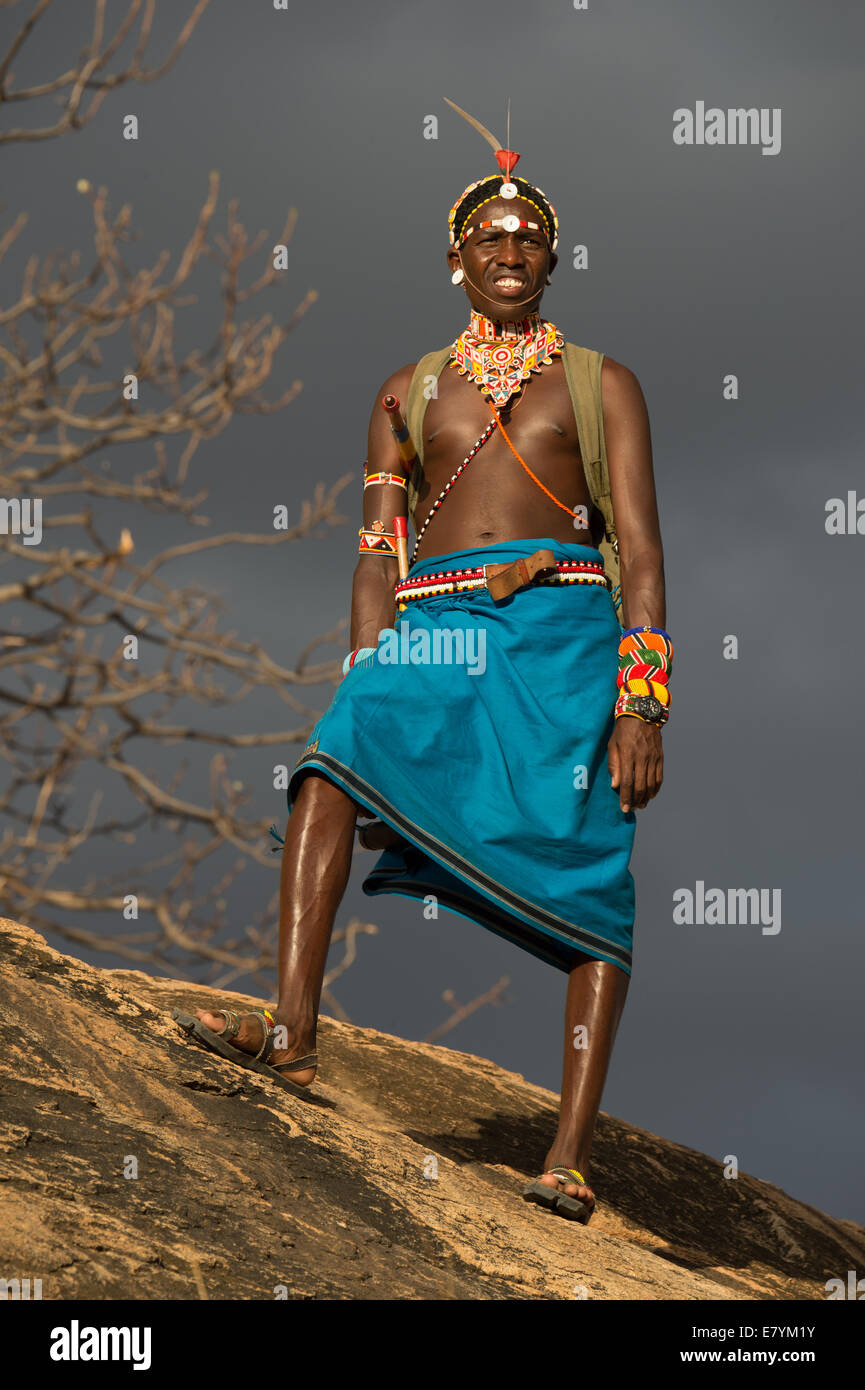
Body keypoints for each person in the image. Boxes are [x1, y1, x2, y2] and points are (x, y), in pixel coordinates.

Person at [180, 111, 670, 1226]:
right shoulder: (405, 391)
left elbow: (640, 549)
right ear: (455, 258)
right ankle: (291, 1033)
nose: (509, 250)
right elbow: (375, 548)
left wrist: (642, 701)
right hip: (434, 627)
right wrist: (370, 665)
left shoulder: (602, 384)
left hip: (564, 633)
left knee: (590, 868)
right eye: (489, 236)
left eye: (528, 238)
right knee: (332, 757)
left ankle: (568, 1154)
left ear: (552, 261)